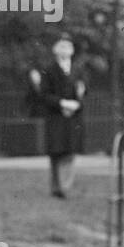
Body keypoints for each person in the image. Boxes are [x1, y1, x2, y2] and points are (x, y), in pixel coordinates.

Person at [36, 36, 85, 198]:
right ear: (56, 53)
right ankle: (56, 187)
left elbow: (83, 90)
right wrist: (62, 103)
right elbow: (44, 95)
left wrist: (76, 103)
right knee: (56, 152)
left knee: (70, 152)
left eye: (67, 51)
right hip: (56, 117)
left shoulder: (78, 70)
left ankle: (65, 187)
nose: (64, 54)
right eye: (61, 51)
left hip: (73, 118)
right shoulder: (49, 70)